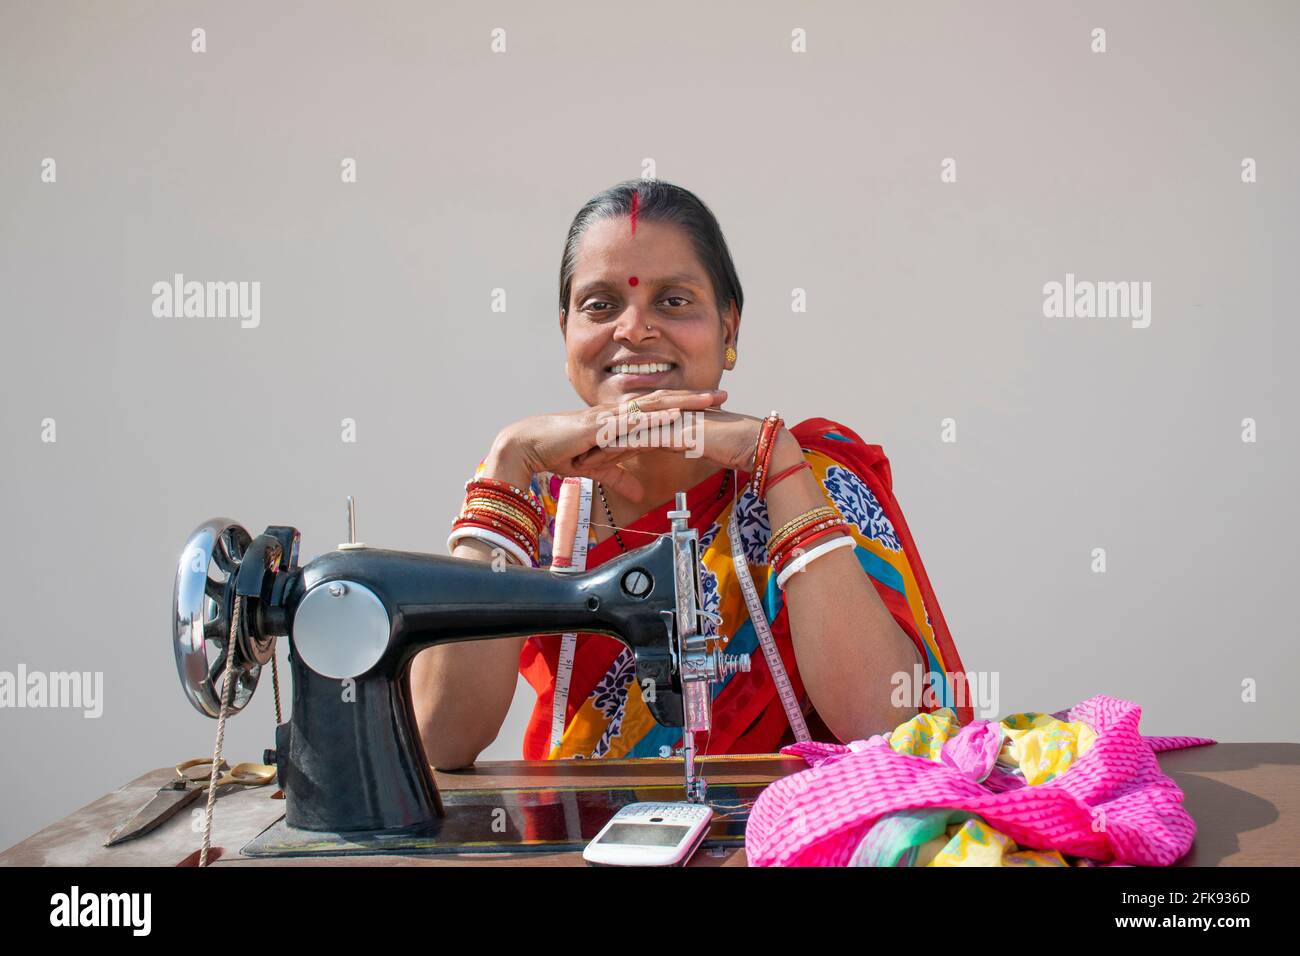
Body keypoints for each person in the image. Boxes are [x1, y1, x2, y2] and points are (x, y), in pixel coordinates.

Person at [410, 179, 971, 770]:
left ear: (730, 329)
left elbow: (888, 725)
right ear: (566, 331)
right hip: (580, 843)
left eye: (673, 300)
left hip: (780, 845)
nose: (633, 329)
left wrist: (777, 463)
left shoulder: (813, 479)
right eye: (600, 305)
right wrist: (506, 456)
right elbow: (437, 738)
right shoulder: (530, 499)